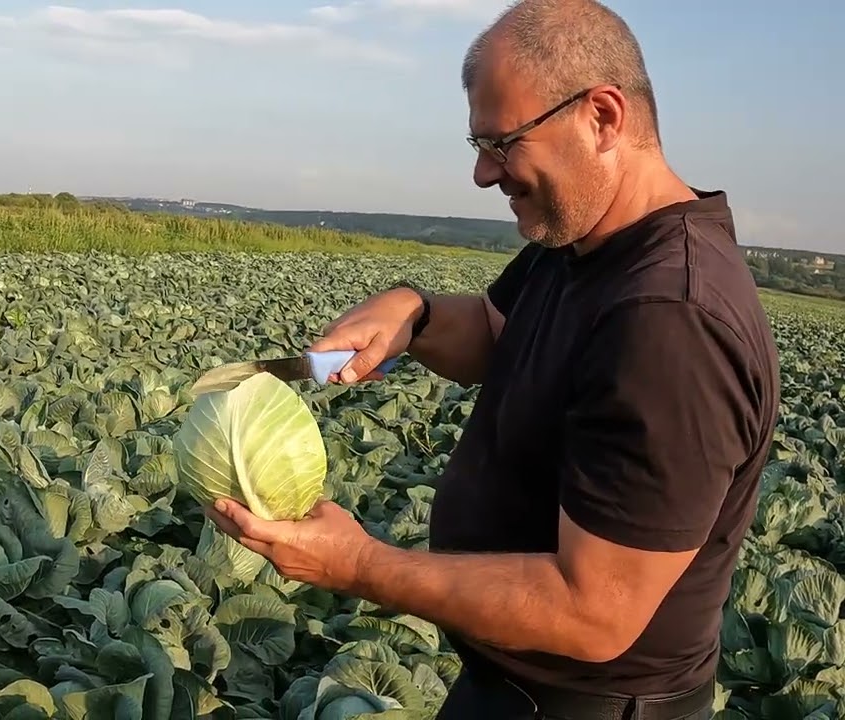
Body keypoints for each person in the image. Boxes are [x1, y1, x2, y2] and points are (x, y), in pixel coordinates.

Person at [207, 0, 780, 718]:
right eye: (476, 144)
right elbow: (501, 331)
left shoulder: (670, 320)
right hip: (509, 686)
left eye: (502, 143)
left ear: (603, 118)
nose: (482, 174)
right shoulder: (583, 240)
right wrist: (412, 313)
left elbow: (593, 612)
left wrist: (356, 564)